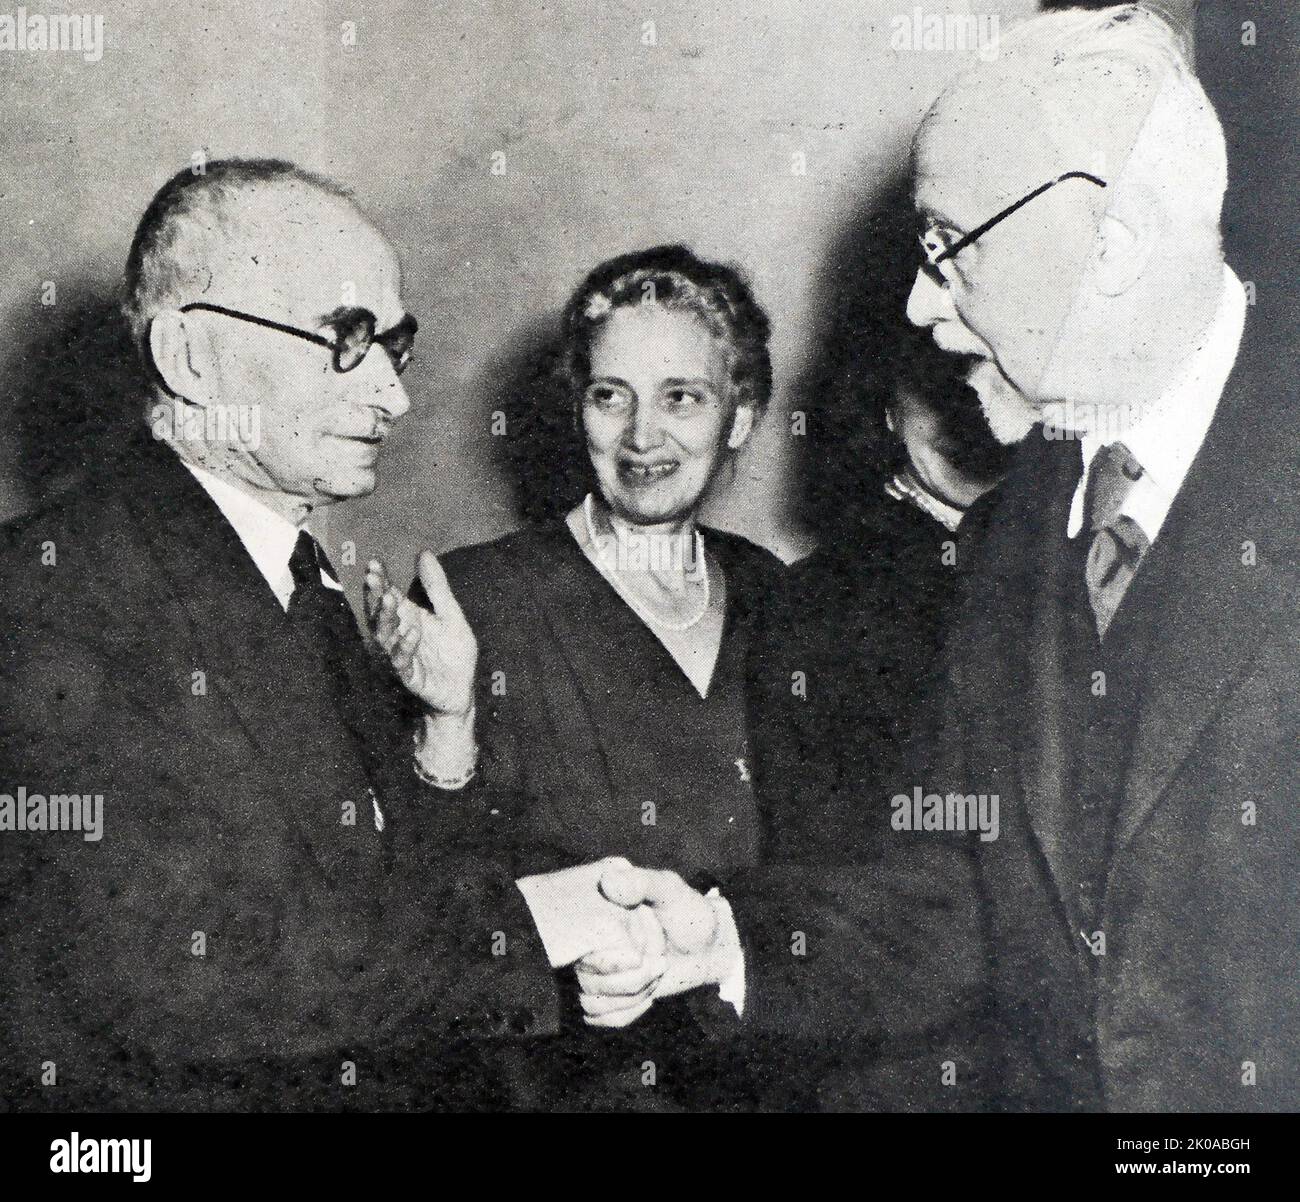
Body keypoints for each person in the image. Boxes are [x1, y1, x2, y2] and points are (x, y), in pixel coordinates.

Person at [0, 159, 669, 1112]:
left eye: (395, 347)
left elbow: (375, 885)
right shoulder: (52, 588)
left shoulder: (292, 573)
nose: (394, 399)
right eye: (345, 338)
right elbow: (177, 965)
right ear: (193, 359)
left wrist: (444, 730)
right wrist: (529, 928)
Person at [897, 3, 1297, 1109]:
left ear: (1105, 247)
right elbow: (954, 904)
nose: (920, 304)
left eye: (946, 250)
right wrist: (723, 937)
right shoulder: (1000, 541)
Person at [370, 244, 787, 1109]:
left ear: (739, 418)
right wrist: (445, 724)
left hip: (757, 1084)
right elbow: (415, 897)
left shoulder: (777, 596)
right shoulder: (479, 596)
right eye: (610, 396)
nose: (642, 435)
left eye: (683, 398)